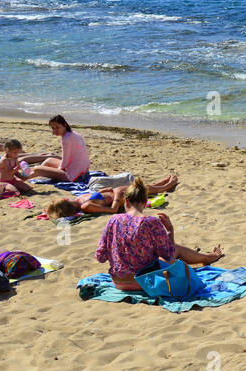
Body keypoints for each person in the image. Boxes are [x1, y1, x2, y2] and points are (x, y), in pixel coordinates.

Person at [94, 177, 221, 292]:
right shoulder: (150, 222)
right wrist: (170, 231)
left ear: (126, 201)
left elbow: (100, 256)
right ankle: (207, 258)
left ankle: (205, 257)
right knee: (176, 248)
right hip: (144, 283)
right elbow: (168, 254)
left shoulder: (113, 220)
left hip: (118, 282)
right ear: (145, 202)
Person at [45, 174, 178, 219]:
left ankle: (160, 184)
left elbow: (97, 195)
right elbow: (112, 210)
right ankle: (166, 186)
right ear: (65, 204)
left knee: (143, 188)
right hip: (118, 198)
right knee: (141, 189)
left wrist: (105, 190)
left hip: (114, 193)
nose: (66, 198)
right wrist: (117, 196)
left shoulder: (78, 199)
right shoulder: (86, 206)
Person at [24, 115, 90, 183]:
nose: (55, 130)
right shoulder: (73, 133)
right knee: (48, 160)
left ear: (64, 125)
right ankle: (25, 178)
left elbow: (65, 162)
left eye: (57, 127)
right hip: (84, 171)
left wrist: (58, 171)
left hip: (74, 176)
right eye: (53, 128)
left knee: (37, 169)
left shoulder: (66, 139)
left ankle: (24, 177)